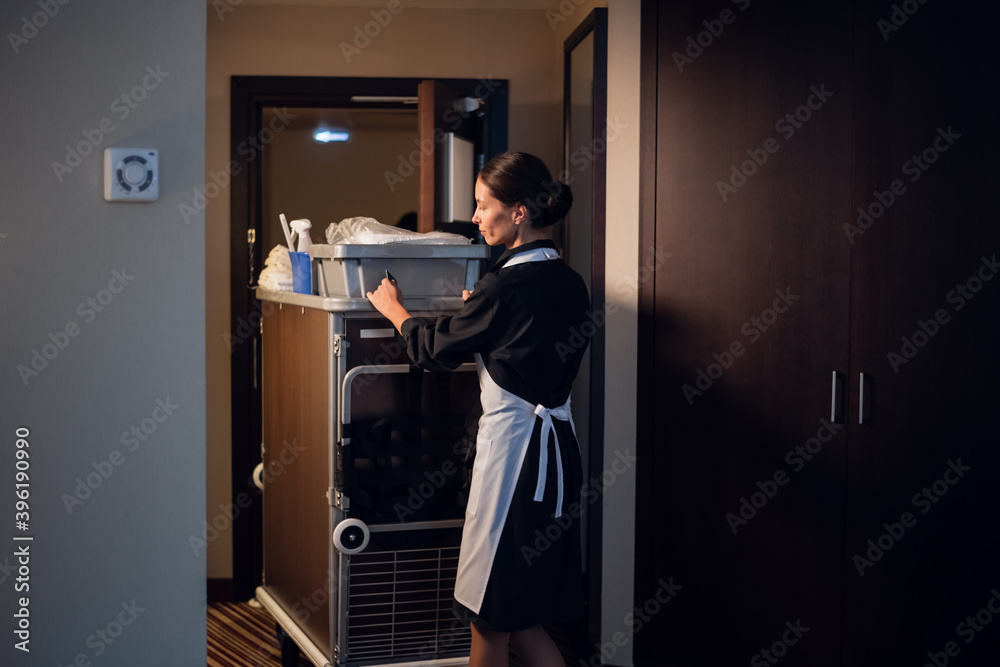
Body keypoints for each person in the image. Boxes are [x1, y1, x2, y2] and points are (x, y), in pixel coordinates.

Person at [367, 151, 590, 667]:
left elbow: (433, 351)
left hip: (513, 463)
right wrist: (484, 309)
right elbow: (527, 342)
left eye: (482, 204)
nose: (474, 217)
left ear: (518, 212)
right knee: (525, 612)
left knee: (487, 616)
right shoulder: (568, 282)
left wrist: (395, 310)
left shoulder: (504, 287)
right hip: (556, 457)